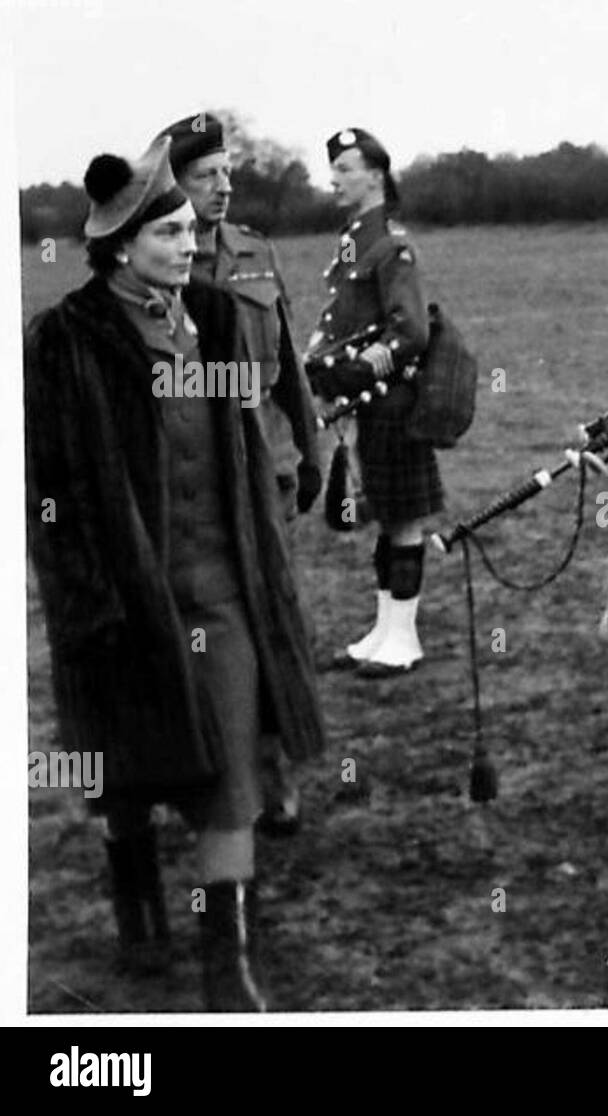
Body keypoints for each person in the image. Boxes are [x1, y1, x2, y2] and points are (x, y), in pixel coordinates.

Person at [24, 134, 327, 1010]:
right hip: (126, 600)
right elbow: (51, 492)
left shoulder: (222, 319)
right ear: (120, 245)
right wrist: (88, 599)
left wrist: (265, 554)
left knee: (230, 771)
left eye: (192, 231)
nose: (189, 246)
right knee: (126, 768)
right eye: (168, 234)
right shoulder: (66, 342)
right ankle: (137, 909)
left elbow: (240, 442)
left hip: (223, 589)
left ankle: (226, 968)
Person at [159, 111, 321, 836]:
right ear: (173, 186)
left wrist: (314, 451)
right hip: (192, 481)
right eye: (205, 177)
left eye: (227, 173)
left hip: (269, 472)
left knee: (270, 620)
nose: (223, 188)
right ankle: (201, 779)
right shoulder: (155, 264)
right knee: (198, 629)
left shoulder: (256, 252)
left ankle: (273, 773)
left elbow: (288, 362)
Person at [306, 128, 441, 678]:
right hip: (363, 402)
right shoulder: (354, 241)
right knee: (385, 517)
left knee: (403, 520)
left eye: (344, 168)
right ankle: (383, 630)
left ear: (375, 176)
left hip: (392, 401)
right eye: (333, 168)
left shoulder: (391, 244)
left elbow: (410, 330)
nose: (334, 178)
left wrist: (363, 368)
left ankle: (404, 638)